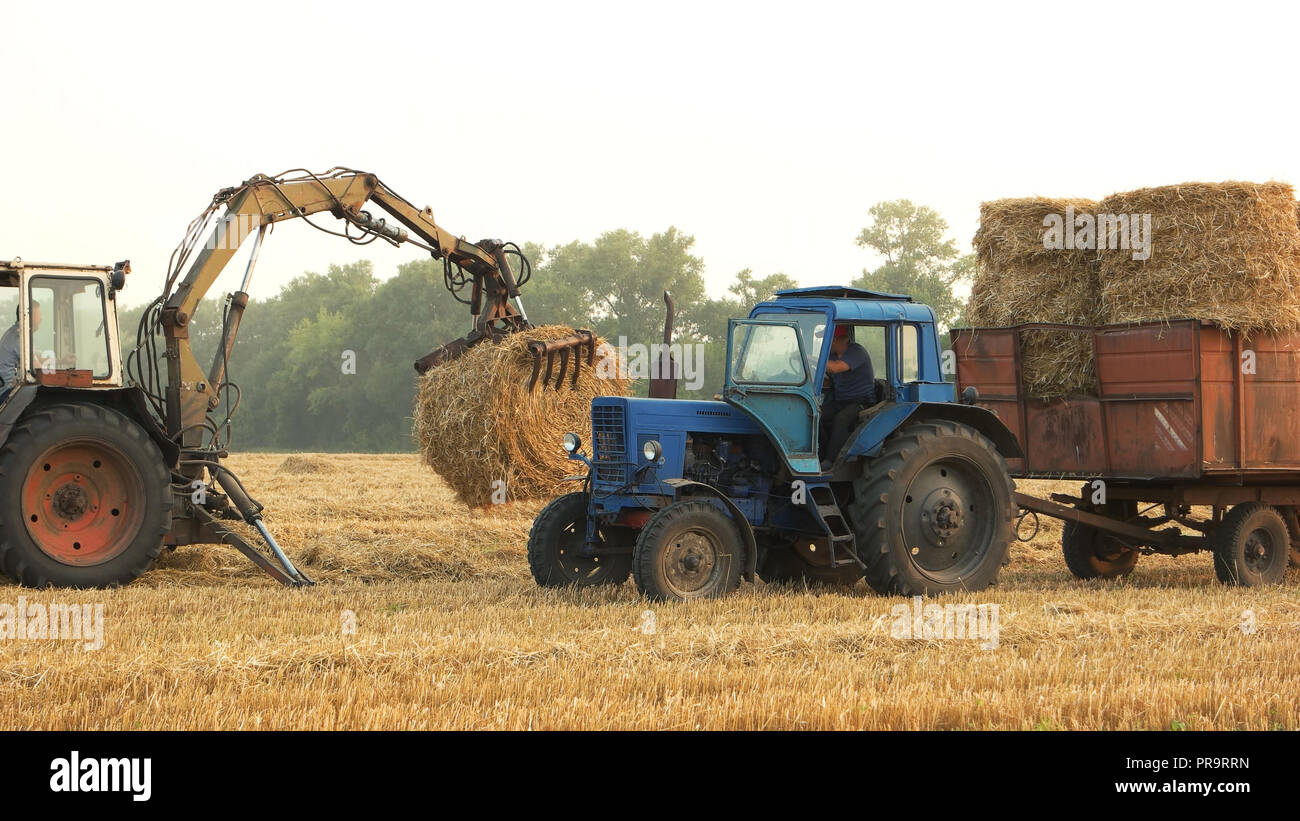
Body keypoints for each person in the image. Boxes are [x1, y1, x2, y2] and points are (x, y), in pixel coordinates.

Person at [820, 323, 875, 470]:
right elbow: (829, 379)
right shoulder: (831, 355)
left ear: (837, 339)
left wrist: (810, 359)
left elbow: (836, 367)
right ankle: (819, 454)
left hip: (861, 401)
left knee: (841, 419)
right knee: (815, 414)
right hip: (841, 400)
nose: (824, 343)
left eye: (827, 339)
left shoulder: (856, 351)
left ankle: (831, 461)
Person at [0, 300, 39, 404]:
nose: (40, 320)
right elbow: (37, 367)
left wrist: (61, 361)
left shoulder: (14, 333)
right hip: (6, 392)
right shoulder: (19, 338)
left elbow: (35, 358)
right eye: (38, 316)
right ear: (27, 316)